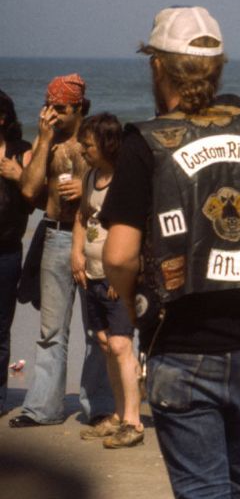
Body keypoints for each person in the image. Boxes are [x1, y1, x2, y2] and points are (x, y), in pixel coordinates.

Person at [101, 6, 240, 496]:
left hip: (181, 344)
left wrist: (136, 306)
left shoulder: (145, 144)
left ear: (158, 67)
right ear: (218, 69)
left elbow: (117, 256)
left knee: (202, 489)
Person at [10, 74, 113, 428]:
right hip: (55, 235)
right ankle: (43, 407)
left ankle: (98, 405)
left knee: (96, 328)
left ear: (79, 107)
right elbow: (28, 190)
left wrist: (85, 191)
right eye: (48, 106)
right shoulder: (48, 142)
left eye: (60, 108)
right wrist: (43, 138)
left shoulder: (95, 142)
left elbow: (116, 183)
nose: (52, 113)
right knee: (51, 329)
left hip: (93, 238)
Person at [70, 113, 144, 448]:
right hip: (92, 275)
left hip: (116, 277)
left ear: (106, 143)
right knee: (104, 343)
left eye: (87, 144)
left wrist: (122, 272)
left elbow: (137, 230)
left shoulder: (125, 180)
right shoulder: (90, 176)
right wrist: (76, 253)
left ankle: (133, 421)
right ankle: (117, 413)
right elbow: (82, 216)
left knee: (120, 344)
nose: (82, 150)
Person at [0, 89, 33, 417]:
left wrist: (18, 174)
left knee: (0, 326)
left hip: (6, 250)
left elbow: (35, 197)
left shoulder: (21, 151)